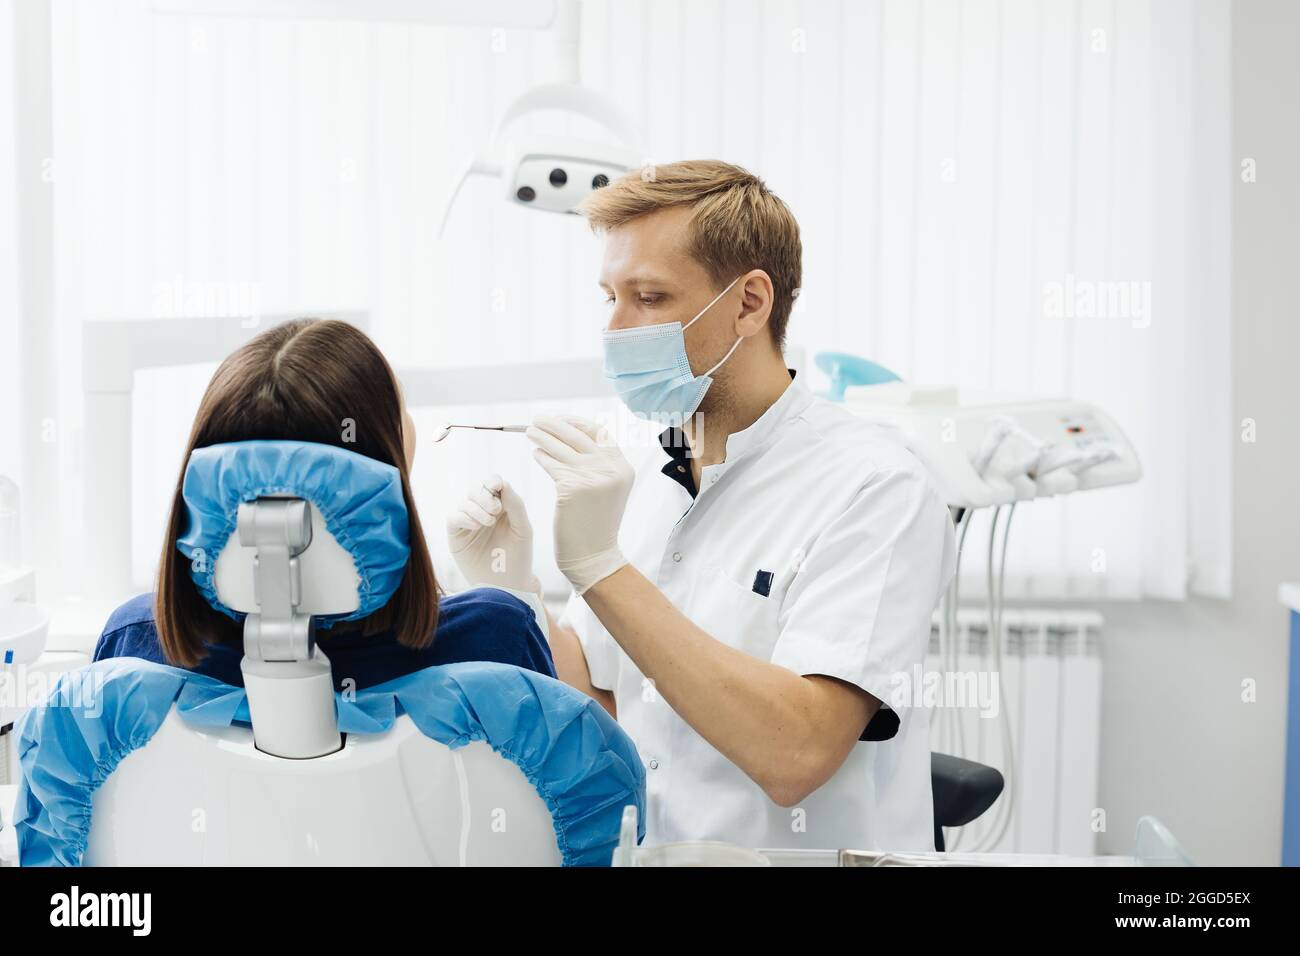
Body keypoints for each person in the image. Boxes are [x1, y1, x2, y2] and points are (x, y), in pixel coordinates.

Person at [447, 160, 956, 851]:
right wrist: (512, 590)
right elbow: (604, 699)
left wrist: (601, 567)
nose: (618, 328)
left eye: (650, 298)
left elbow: (796, 753)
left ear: (750, 303)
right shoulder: (654, 479)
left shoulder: (876, 486)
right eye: (610, 298)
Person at [94, 318, 555, 689]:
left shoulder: (135, 644)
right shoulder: (493, 638)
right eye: (400, 408)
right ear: (376, 473)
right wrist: (512, 589)